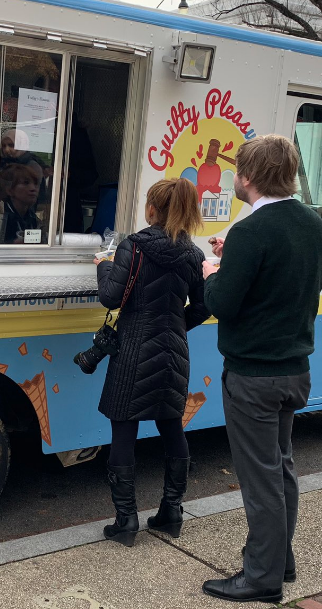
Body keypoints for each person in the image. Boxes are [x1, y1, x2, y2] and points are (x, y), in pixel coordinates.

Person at [200, 135, 322, 603]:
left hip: (254, 374)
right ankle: (280, 560)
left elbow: (225, 304)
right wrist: (230, 253)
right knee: (282, 468)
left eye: (237, 170)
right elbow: (282, 280)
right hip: (295, 368)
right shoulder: (312, 223)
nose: (235, 177)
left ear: (248, 177)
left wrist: (213, 270)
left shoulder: (252, 231)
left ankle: (261, 578)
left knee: (260, 482)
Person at [93, 178, 211, 547]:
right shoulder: (193, 254)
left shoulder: (134, 246)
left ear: (152, 209)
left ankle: (125, 520)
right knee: (172, 425)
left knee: (124, 428)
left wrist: (103, 264)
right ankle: (171, 512)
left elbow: (111, 298)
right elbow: (206, 305)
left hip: (133, 349)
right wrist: (177, 325)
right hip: (174, 349)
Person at [0, 163, 41, 243]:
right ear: (9, 190)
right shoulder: (1, 217)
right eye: (26, 183)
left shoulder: (32, 217)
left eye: (35, 184)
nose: (33, 188)